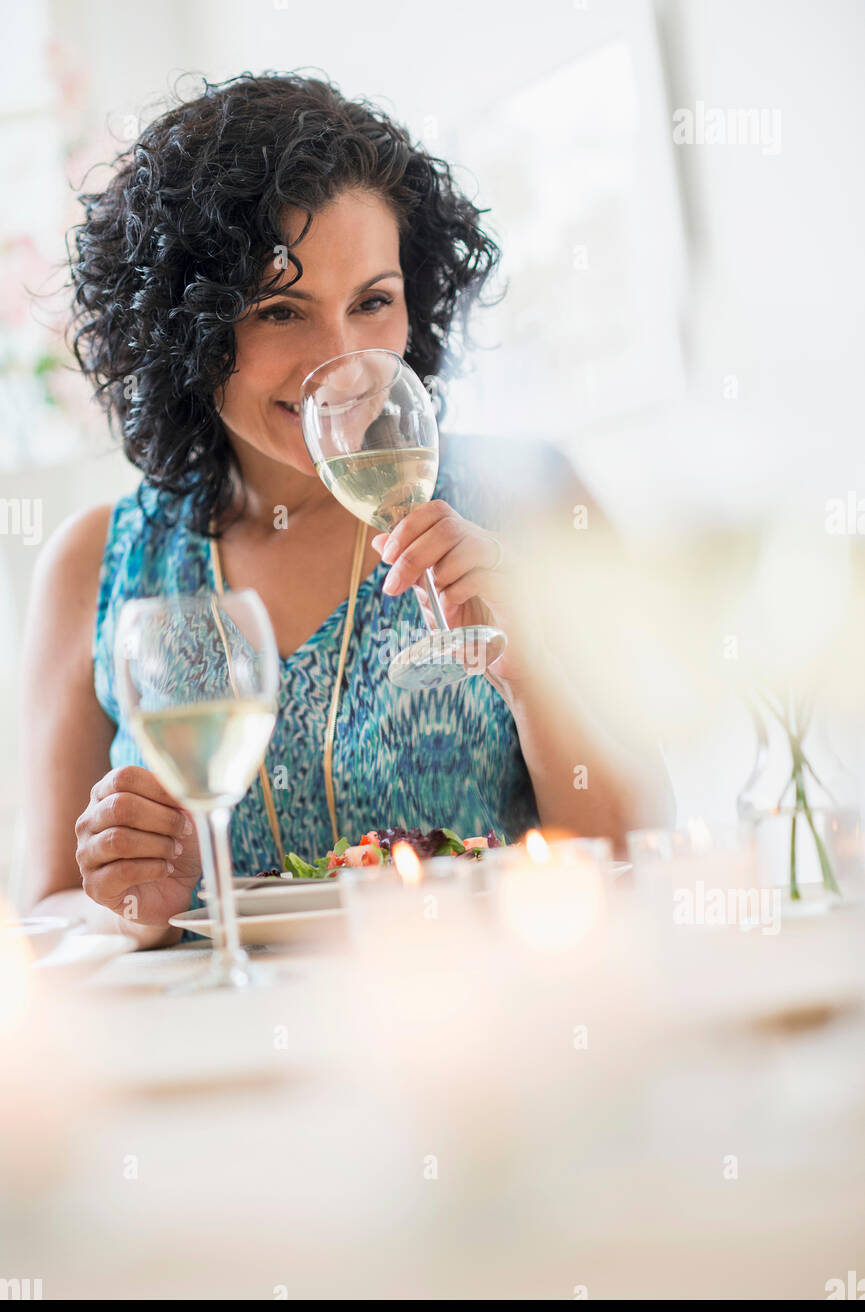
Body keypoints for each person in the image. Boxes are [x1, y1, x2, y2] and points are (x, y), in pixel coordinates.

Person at [20, 72, 669, 948]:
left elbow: (640, 850)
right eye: (279, 311)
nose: (341, 364)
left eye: (372, 302)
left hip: (496, 1044)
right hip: (222, 1063)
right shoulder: (95, 567)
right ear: (192, 329)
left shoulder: (533, 501)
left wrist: (529, 669)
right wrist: (132, 904)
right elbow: (50, 903)